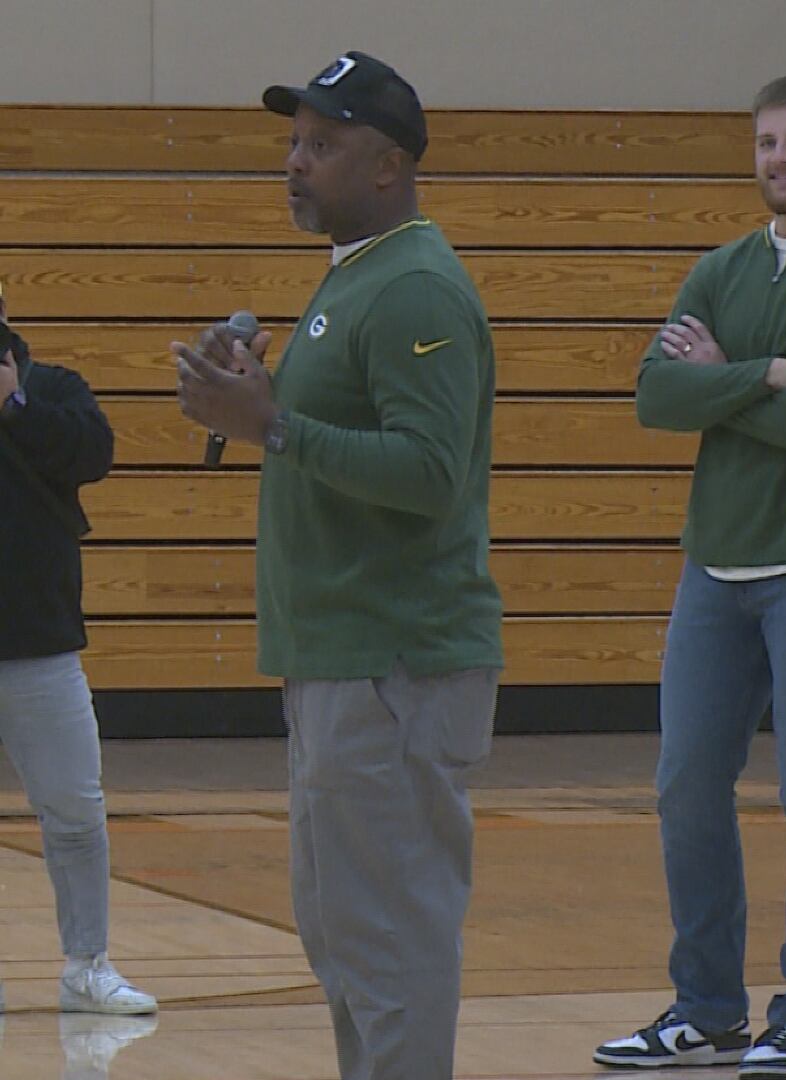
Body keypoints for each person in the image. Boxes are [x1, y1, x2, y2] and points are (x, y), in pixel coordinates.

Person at [175, 51, 503, 1080]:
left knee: (390, 943)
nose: (295, 163)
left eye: (322, 145)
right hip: (341, 660)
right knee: (347, 939)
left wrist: (271, 425)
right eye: (292, 141)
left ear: (389, 165)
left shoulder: (414, 290)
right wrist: (263, 401)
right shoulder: (356, 281)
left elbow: (430, 474)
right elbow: (324, 436)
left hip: (393, 664)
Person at [591, 74, 786, 1079]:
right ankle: (706, 1010)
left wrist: (727, 380)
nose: (779, 160)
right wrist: (769, 372)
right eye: (766, 142)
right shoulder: (719, 267)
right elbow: (654, 398)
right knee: (685, 790)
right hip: (714, 568)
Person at [0, 297, 157, 1018]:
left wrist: (13, 406)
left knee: (74, 809)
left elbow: (94, 453)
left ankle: (87, 964)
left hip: (40, 641)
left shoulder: (55, 389)